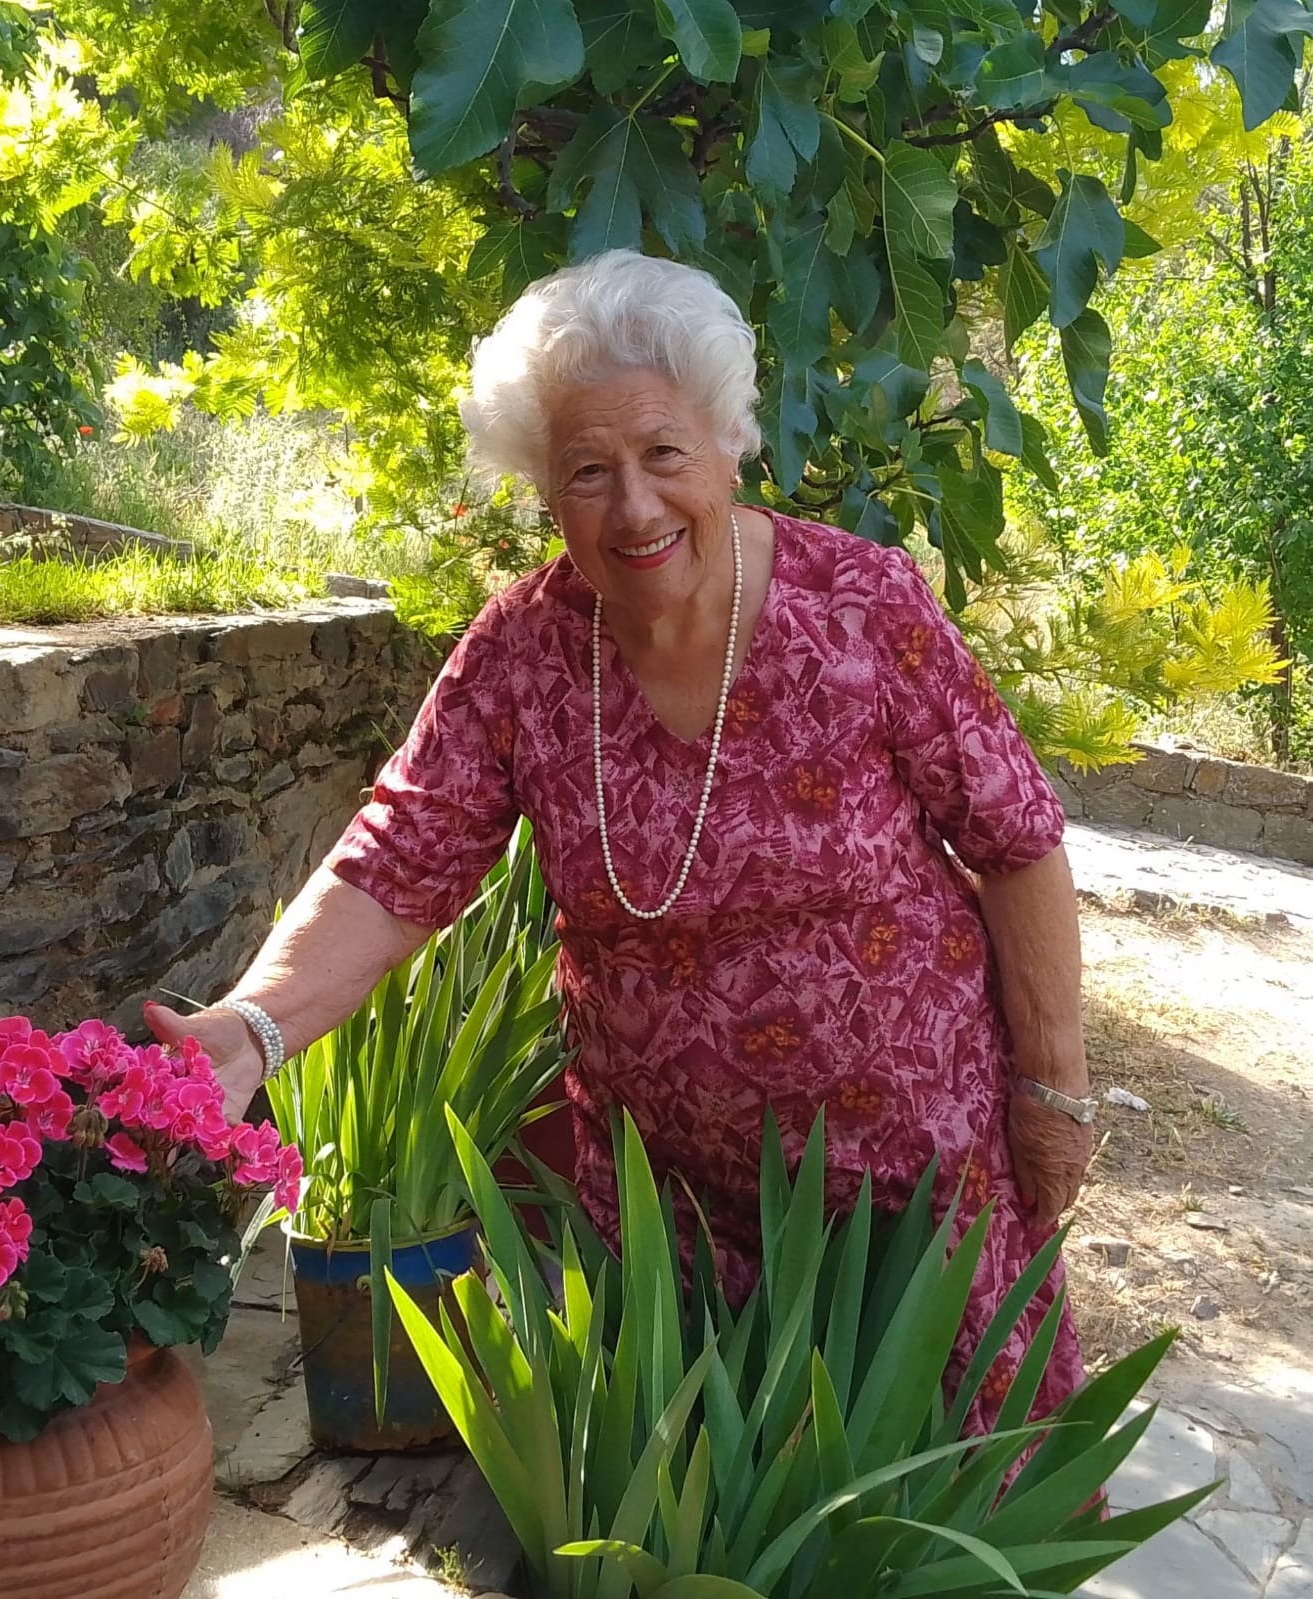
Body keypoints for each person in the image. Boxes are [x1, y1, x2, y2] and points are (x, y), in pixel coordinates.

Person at [145, 249, 1096, 1425]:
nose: (634, 508)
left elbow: (1017, 840)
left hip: (909, 1202)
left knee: (933, 1510)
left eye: (662, 455)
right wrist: (251, 1032)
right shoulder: (524, 652)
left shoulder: (862, 605)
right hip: (670, 1209)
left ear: (729, 442)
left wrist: (1053, 1093)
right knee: (711, 1517)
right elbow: (402, 854)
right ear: (545, 489)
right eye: (587, 472)